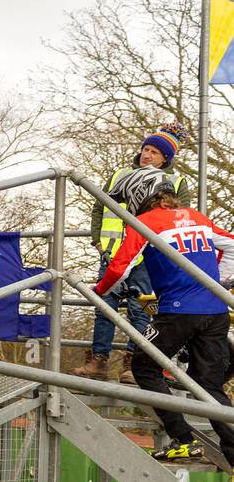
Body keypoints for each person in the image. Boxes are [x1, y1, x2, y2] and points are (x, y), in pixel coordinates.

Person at [94, 167, 234, 465]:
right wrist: (214, 283)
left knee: (145, 367)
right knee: (208, 386)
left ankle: (184, 440)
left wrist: (101, 290)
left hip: (178, 312)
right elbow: (233, 245)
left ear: (138, 195)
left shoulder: (145, 222)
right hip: (216, 309)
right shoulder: (197, 217)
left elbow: (120, 267)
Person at [77, 124, 191, 385]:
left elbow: (178, 220)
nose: (146, 154)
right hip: (113, 253)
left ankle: (134, 364)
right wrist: (98, 242)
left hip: (147, 258)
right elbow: (99, 207)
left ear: (166, 158)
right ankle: (98, 361)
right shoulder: (120, 175)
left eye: (153, 151)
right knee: (105, 308)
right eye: (145, 149)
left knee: (142, 312)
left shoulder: (175, 182)